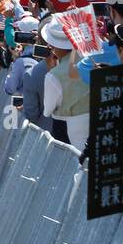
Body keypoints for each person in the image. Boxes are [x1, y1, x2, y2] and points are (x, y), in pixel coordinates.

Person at [41, 16, 90, 150]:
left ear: (53, 44)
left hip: (67, 133)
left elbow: (48, 109)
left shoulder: (54, 75)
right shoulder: (92, 60)